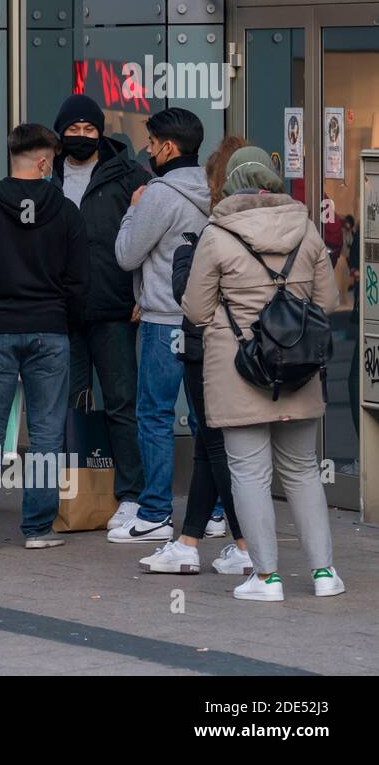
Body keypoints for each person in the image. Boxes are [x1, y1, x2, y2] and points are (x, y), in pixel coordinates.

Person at [181, 147, 344, 602]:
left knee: (249, 474)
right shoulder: (306, 229)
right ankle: (325, 573)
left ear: (230, 185)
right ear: (272, 181)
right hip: (298, 367)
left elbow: (194, 309)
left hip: (238, 369)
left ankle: (266, 578)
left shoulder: (216, 234)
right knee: (303, 471)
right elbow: (327, 303)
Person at [0, 124, 88, 553]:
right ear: (44, 161)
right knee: (46, 433)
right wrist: (68, 326)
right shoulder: (66, 213)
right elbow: (80, 282)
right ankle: (38, 529)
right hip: (49, 331)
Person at [140, 136, 254, 576]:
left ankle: (245, 544)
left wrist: (185, 252)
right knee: (209, 446)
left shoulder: (216, 231)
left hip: (207, 347)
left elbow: (191, 299)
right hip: (244, 349)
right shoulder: (270, 226)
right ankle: (188, 542)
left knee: (217, 447)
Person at [48, 95, 150, 530]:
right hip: (60, 313)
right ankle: (71, 492)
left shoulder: (130, 176)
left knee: (122, 403)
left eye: (91, 130)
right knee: (65, 405)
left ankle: (130, 495)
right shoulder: (43, 175)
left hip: (115, 309)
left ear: (101, 132)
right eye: (74, 129)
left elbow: (150, 239)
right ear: (60, 133)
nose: (83, 136)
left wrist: (143, 293)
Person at [111, 108, 210, 544]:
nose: (147, 151)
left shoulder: (157, 194)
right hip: (205, 321)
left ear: (168, 148)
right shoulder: (214, 188)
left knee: (154, 415)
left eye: (151, 144)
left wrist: (132, 211)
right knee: (209, 418)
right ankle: (215, 513)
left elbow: (127, 255)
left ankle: (154, 513)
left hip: (163, 319)